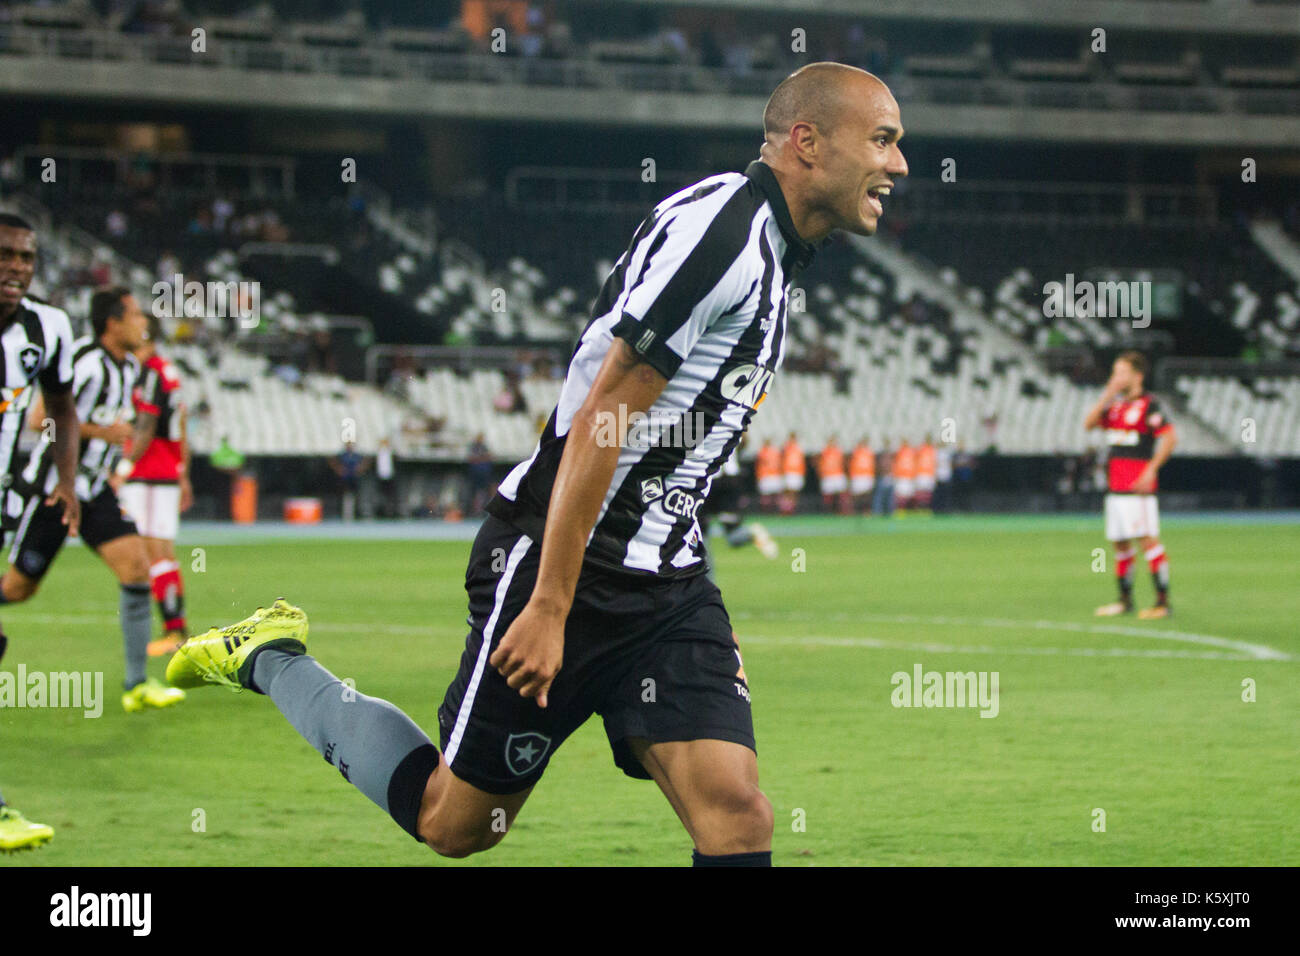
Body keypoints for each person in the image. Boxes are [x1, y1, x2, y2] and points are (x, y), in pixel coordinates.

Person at [166, 62, 908, 865]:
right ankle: (271, 658)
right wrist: (551, 605)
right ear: (807, 142)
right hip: (563, 564)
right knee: (455, 824)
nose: (899, 165)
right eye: (883, 141)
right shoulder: (724, 232)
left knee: (738, 815)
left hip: (667, 584)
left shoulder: (771, 249)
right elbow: (604, 416)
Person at [5, 286, 184, 713]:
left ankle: (136, 685)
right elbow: (38, 419)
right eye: (137, 315)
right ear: (113, 322)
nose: (144, 323)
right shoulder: (85, 360)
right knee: (18, 588)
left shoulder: (126, 369)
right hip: (54, 489)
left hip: (93, 490)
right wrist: (99, 433)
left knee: (138, 568)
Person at [0, 212, 80, 849]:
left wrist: (67, 482)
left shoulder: (46, 327)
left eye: (25, 257)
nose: (16, 266)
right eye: (5, 255)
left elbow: (61, 406)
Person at [113, 313, 193, 657]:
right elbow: (181, 423)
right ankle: (175, 627)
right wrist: (183, 470)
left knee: (150, 551)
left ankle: (173, 630)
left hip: (147, 472)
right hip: (167, 470)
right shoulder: (168, 370)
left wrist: (124, 467)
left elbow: (146, 426)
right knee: (162, 552)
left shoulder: (149, 372)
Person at [1084, 351, 1177, 619]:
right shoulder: (1114, 407)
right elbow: (1089, 424)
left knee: (1148, 541)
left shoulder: (1149, 405)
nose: (1116, 377)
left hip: (1139, 489)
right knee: (1120, 544)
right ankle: (1124, 600)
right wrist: (1106, 395)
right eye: (1115, 372)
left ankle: (1162, 602)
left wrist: (1152, 468)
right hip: (1116, 488)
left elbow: (1170, 438)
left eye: (1122, 372)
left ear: (1138, 375)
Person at [330, 441, 368, 521]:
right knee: (344, 497)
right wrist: (339, 469)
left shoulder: (356, 456)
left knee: (356, 496)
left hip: (355, 479)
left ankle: (357, 514)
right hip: (344, 479)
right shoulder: (342, 455)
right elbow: (333, 461)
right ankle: (343, 514)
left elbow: (365, 462)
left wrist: (361, 469)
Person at [816, 434, 849, 513]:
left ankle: (842, 510)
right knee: (828, 495)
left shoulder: (838, 451)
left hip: (838, 474)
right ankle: (828, 511)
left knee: (842, 493)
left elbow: (843, 463)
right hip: (828, 475)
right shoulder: (824, 451)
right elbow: (820, 463)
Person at [754, 437, 782, 512]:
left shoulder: (775, 451)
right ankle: (766, 510)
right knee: (765, 495)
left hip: (774, 475)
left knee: (776, 495)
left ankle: (776, 510)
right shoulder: (762, 451)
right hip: (765, 475)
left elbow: (779, 463)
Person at [848, 436, 875, 514]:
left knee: (867, 494)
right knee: (857, 495)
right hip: (857, 475)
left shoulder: (869, 451)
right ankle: (856, 510)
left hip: (867, 475)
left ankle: (866, 510)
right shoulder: (856, 451)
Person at [780, 431, 805, 515]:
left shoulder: (799, 448)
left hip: (797, 472)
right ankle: (785, 508)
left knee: (794, 492)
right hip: (788, 471)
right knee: (787, 491)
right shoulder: (786, 447)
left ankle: (792, 508)